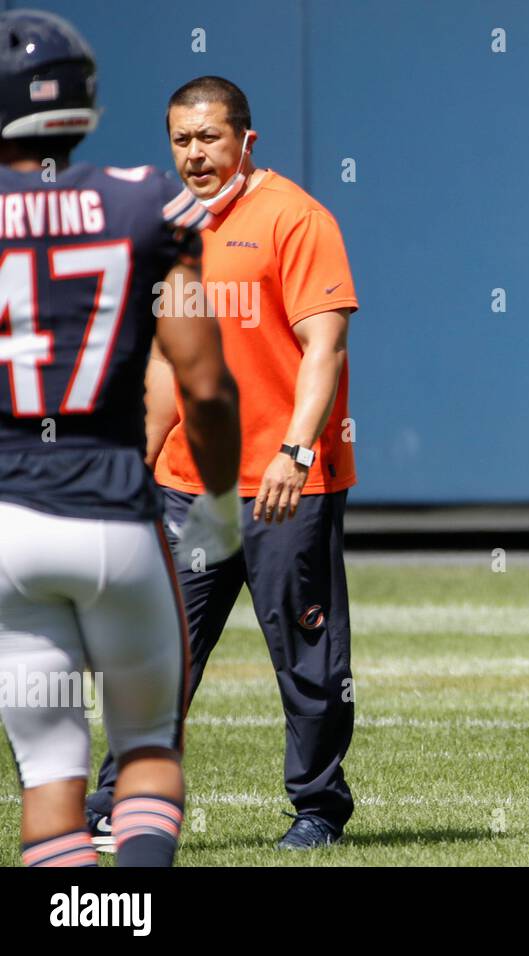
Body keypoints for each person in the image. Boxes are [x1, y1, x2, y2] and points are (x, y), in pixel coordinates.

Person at [86, 76, 360, 851]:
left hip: (287, 485)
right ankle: (117, 799)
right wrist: (133, 461)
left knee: (308, 654)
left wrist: (294, 452)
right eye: (181, 139)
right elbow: (170, 367)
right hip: (189, 484)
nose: (195, 153)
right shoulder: (171, 227)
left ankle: (317, 808)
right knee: (158, 646)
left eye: (209, 137)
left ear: (246, 138)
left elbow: (324, 349)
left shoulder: (298, 217)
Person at [0, 10, 241, 866]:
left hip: (6, 522)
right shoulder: (146, 201)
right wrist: (217, 504)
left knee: (51, 772)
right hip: (112, 509)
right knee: (145, 750)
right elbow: (205, 386)